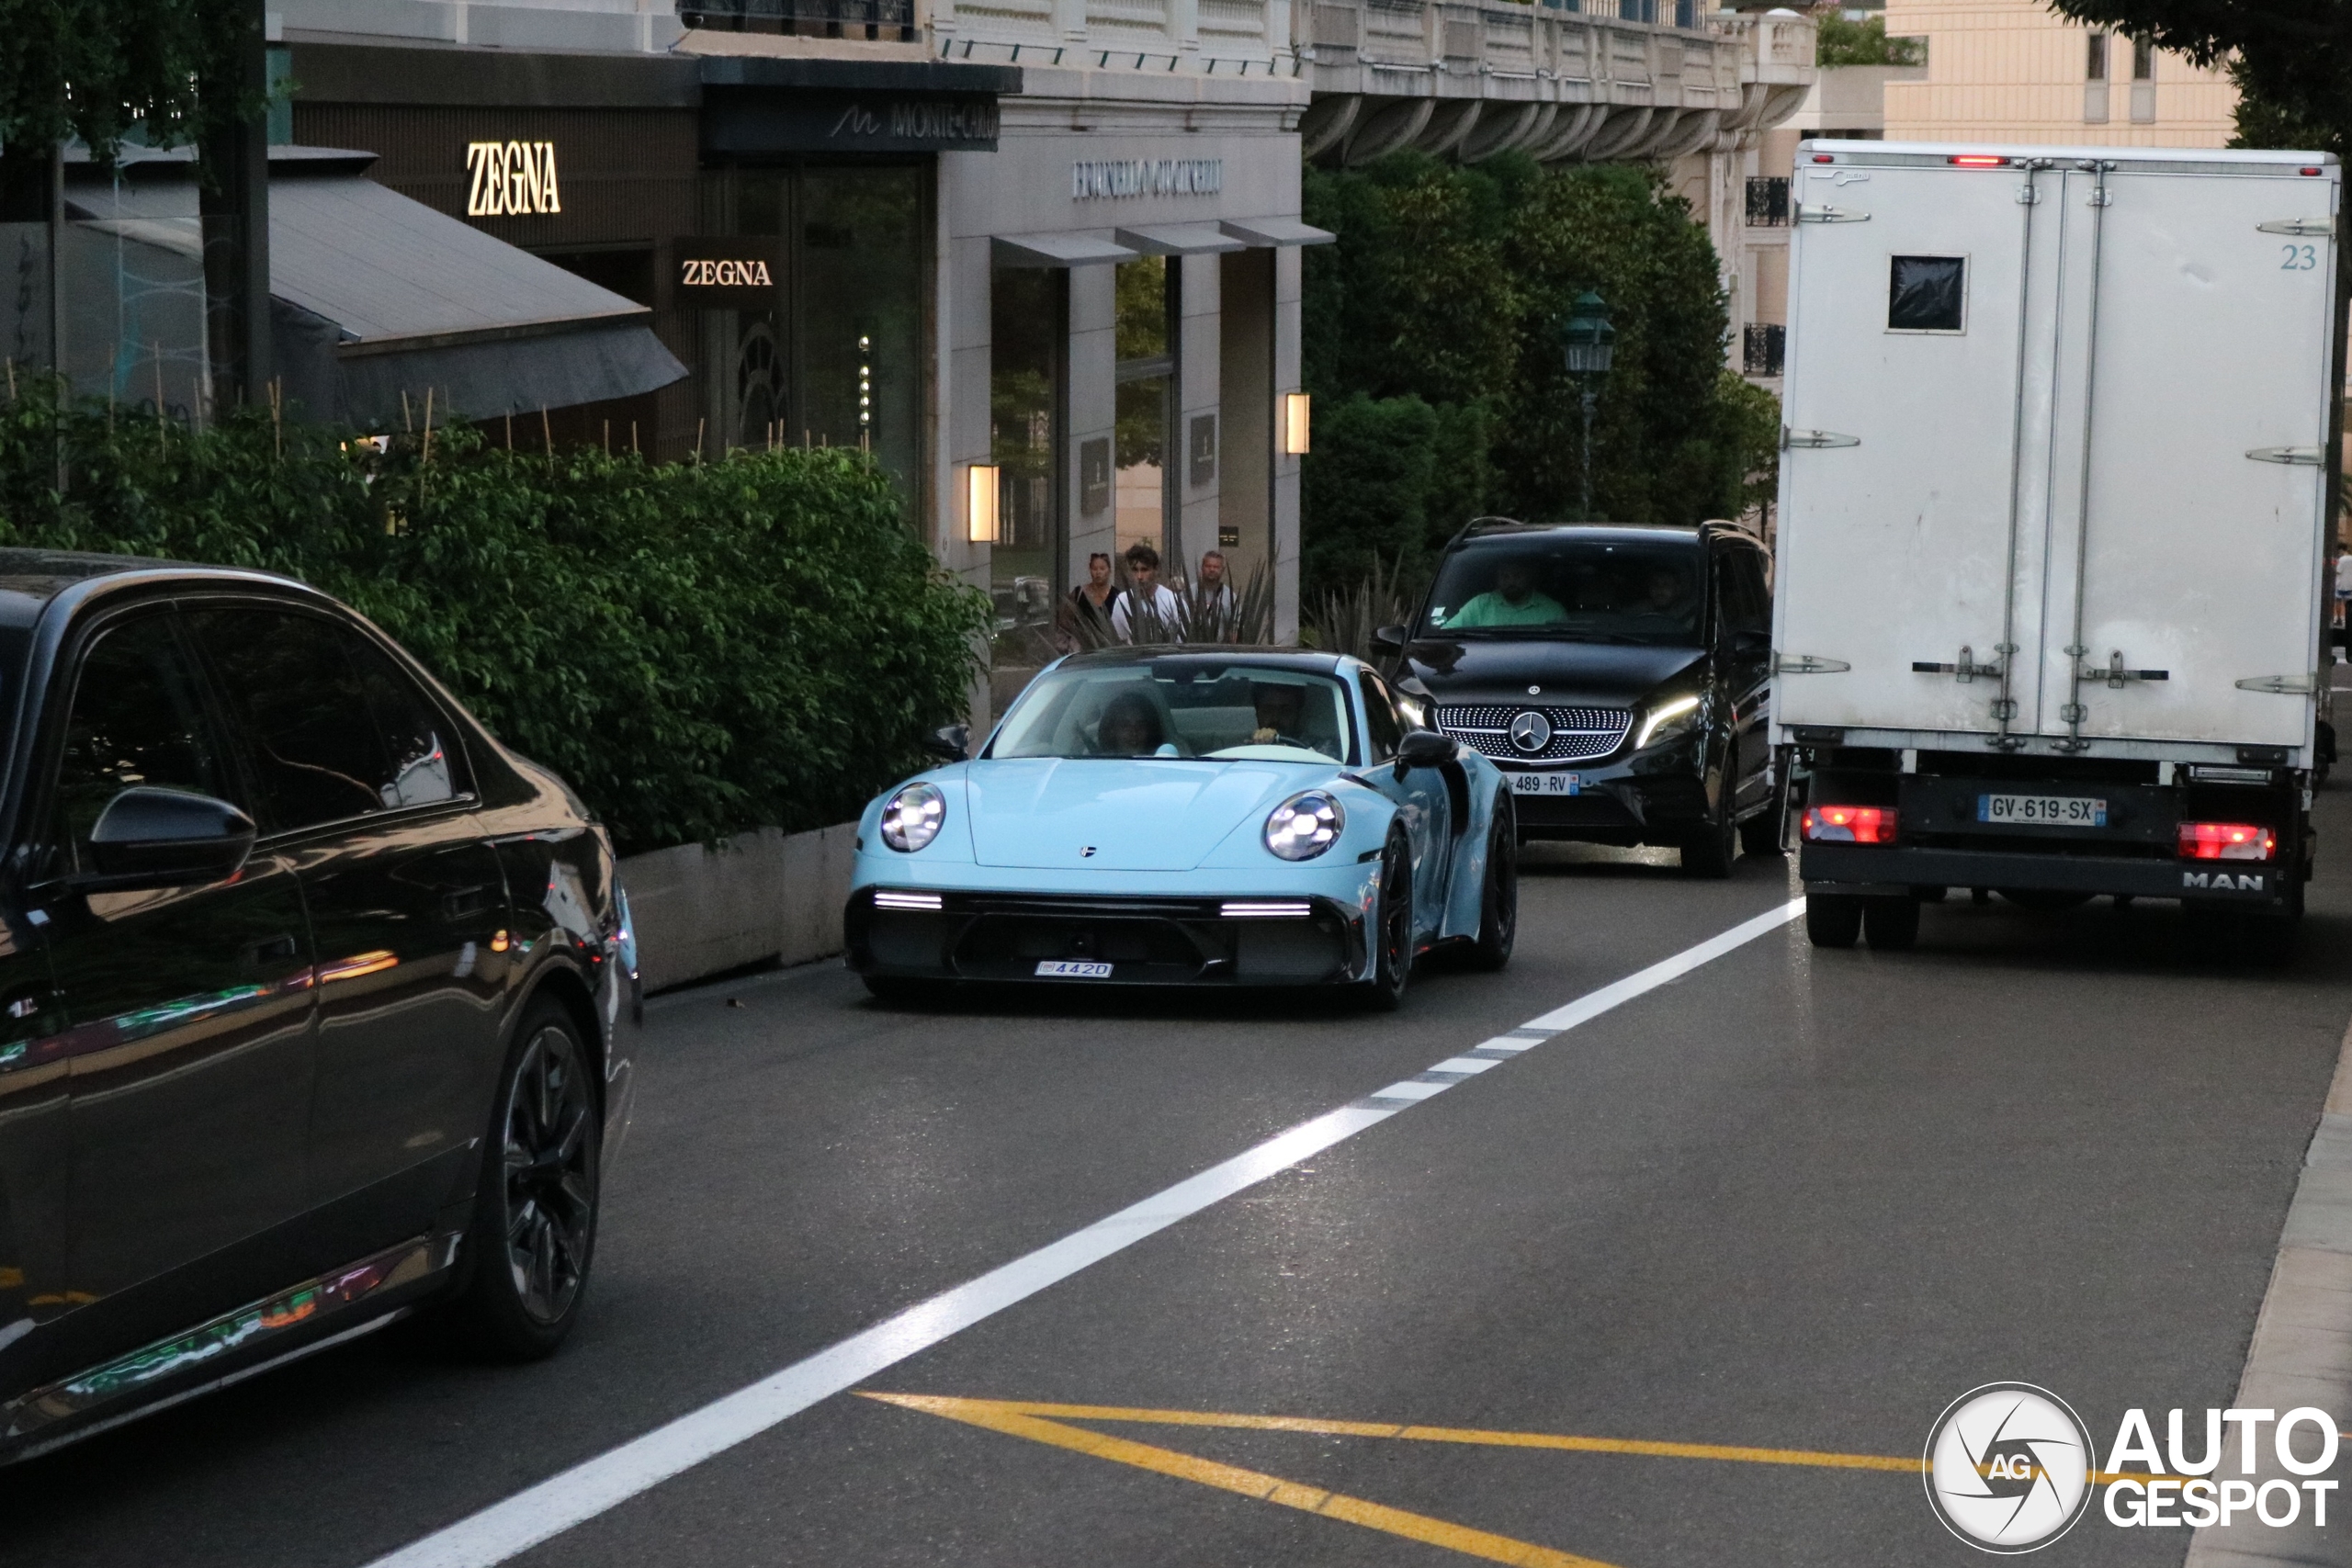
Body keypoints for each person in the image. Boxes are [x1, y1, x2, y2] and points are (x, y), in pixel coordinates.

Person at [1445, 558, 1566, 628]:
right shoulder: (1480, 606)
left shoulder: (1552, 611)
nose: (1511, 582)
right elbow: (1447, 634)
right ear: (1497, 579)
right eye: (1505, 576)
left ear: (1529, 577)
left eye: (1517, 576)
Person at [1111, 544, 1185, 642]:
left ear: (1156, 570)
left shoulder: (1172, 601)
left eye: (1144, 570)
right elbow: (1118, 639)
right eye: (1135, 570)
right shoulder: (1122, 601)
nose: (1139, 576)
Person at [1094, 690, 1165, 756]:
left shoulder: (1164, 762)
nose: (1134, 732)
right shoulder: (1095, 763)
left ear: (1149, 730)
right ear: (1112, 731)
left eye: (1140, 725)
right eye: (1125, 726)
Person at [1068, 552, 1115, 637]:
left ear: (1109, 570)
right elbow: (1065, 622)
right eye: (1094, 568)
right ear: (1090, 570)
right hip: (1082, 645)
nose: (1098, 572)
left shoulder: (1117, 596)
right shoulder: (1078, 593)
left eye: (1102, 568)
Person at [1193, 549, 1238, 640]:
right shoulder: (1189, 592)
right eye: (1208, 566)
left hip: (1219, 650)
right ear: (1202, 567)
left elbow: (1235, 628)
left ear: (1222, 570)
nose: (1212, 569)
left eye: (1216, 567)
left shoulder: (1230, 596)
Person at [1250, 682, 1309, 749]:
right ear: (1258, 714)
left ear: (1298, 714)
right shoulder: (1242, 751)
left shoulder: (1315, 749)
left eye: (1285, 711)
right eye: (1268, 710)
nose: (1276, 718)